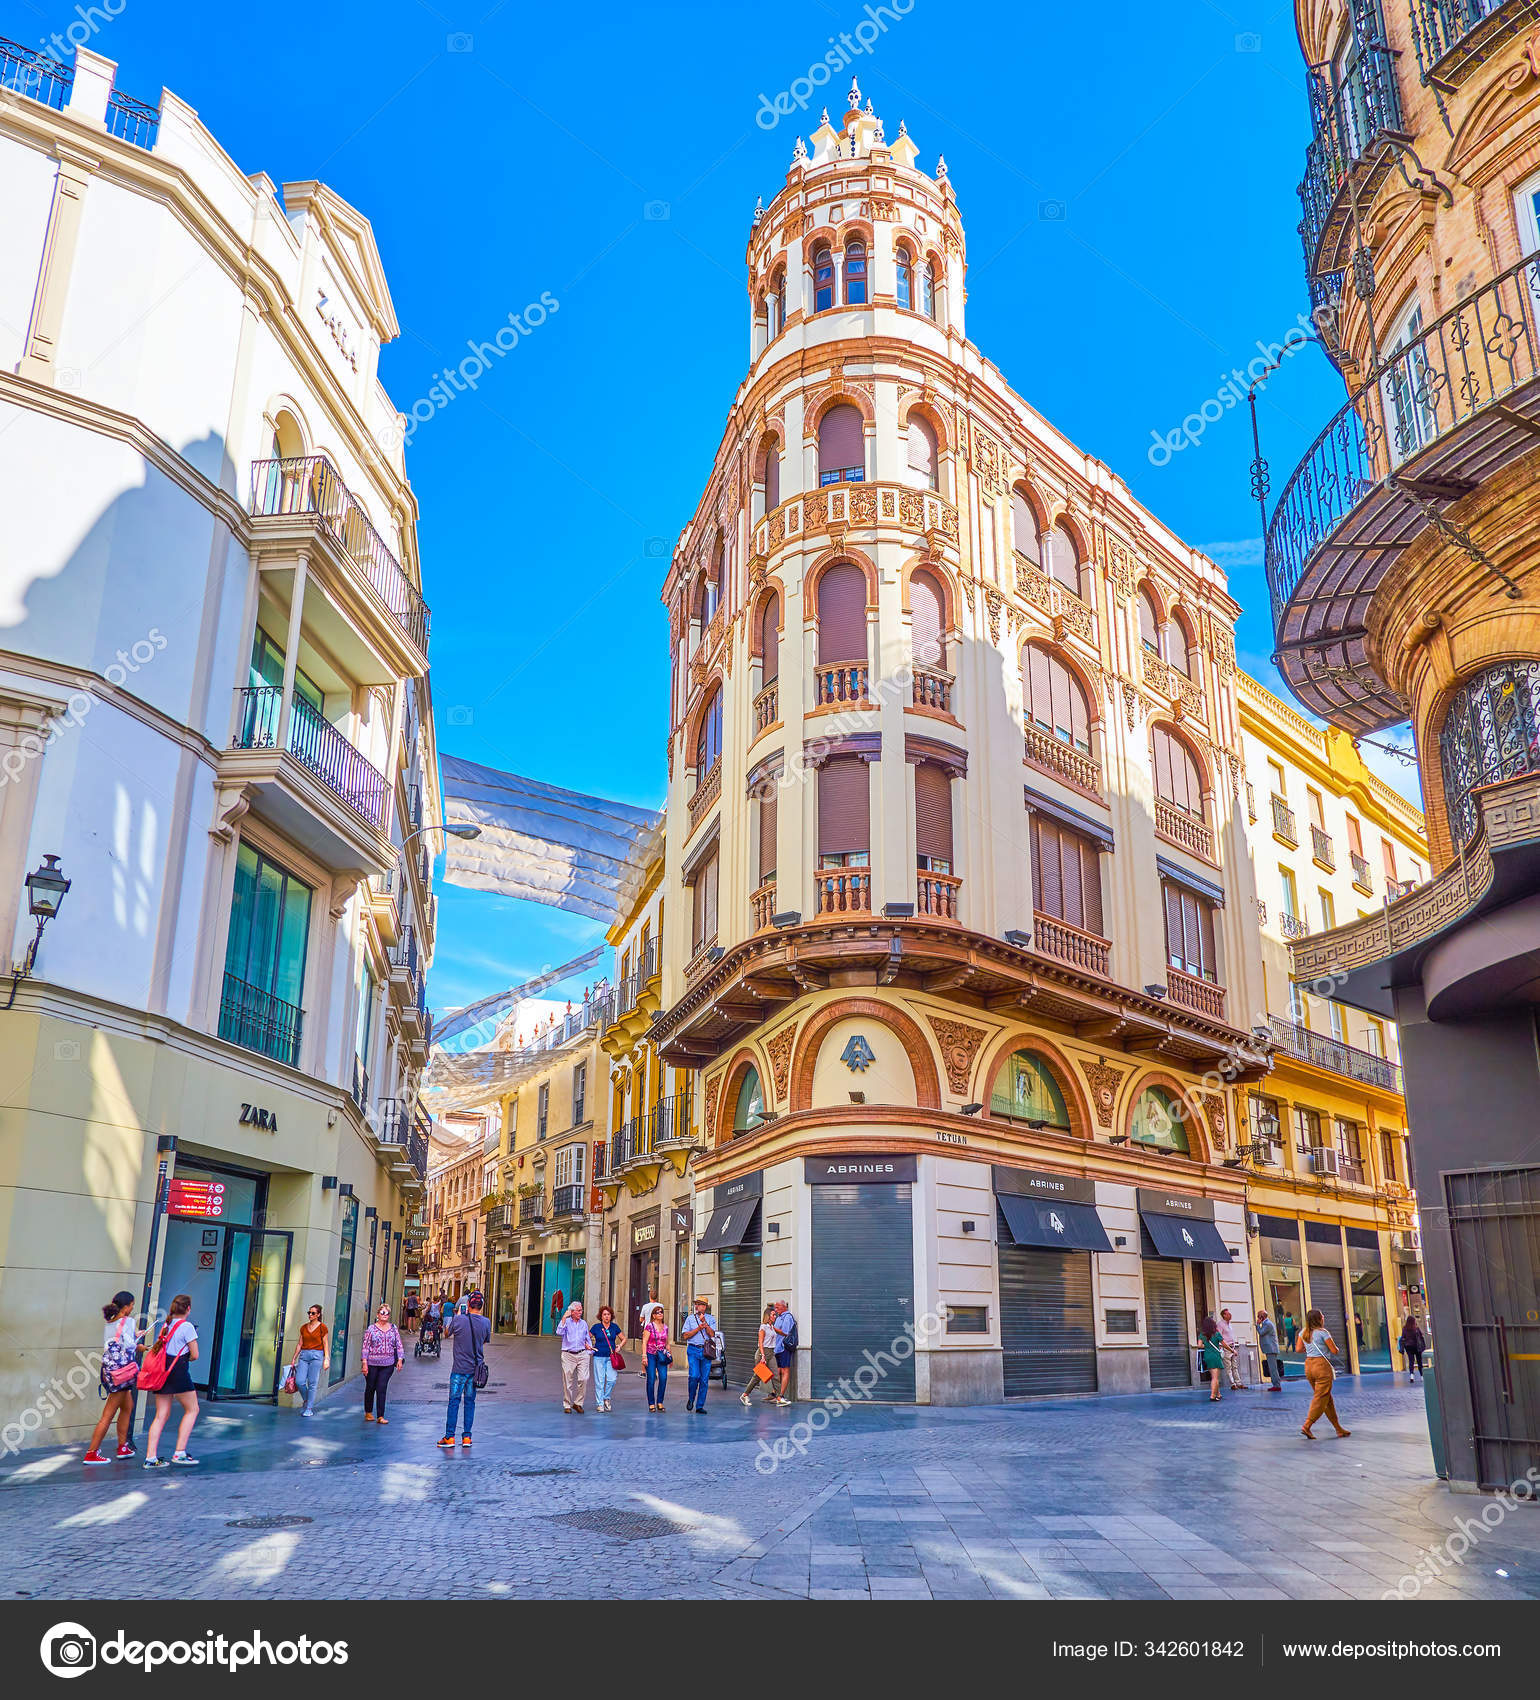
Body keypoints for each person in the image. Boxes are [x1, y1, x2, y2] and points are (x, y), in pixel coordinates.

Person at [84, 1291, 142, 1464]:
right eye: (132, 1304)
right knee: (108, 1414)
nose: (133, 1308)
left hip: (111, 1371)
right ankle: (91, 1453)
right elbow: (130, 1346)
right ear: (126, 1307)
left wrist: (134, 1337)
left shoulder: (110, 1322)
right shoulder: (129, 1321)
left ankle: (122, 1447)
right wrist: (139, 1343)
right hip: (123, 1373)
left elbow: (118, 1342)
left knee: (127, 1406)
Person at [143, 1294, 199, 1468]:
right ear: (188, 1309)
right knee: (192, 1409)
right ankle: (179, 1452)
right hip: (179, 1371)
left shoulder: (166, 1325)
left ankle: (150, 1457)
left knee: (161, 1415)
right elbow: (195, 1355)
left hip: (163, 1371)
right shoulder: (187, 1326)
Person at [440, 1292, 491, 1448]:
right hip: (475, 1370)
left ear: (468, 1304)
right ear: (481, 1306)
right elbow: (484, 1340)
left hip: (459, 1369)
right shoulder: (486, 1322)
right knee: (470, 1402)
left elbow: (446, 1334)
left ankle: (450, 1437)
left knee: (454, 1402)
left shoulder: (459, 1319)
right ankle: (467, 1437)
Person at [1300, 1308, 1351, 1439]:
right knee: (1320, 1398)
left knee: (1326, 1399)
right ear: (1319, 1319)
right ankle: (1307, 1425)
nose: (1324, 1317)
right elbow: (1334, 1351)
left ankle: (1338, 1429)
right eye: (1322, 1316)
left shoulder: (1303, 1332)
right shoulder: (1323, 1333)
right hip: (1322, 1366)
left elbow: (1298, 1349)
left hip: (1309, 1366)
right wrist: (1336, 1348)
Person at [361, 1304, 404, 1423]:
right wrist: (364, 1363)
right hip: (372, 1363)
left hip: (388, 1363)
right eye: (382, 1313)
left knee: (381, 1387)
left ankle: (380, 1416)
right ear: (377, 1315)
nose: (385, 1315)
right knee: (370, 1387)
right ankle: (368, 1412)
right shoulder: (371, 1329)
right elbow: (365, 1346)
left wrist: (400, 1359)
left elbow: (399, 1344)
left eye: (387, 1313)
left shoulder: (393, 1328)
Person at [289, 1304, 329, 1417]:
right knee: (299, 1381)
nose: (310, 1315)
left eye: (313, 1313)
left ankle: (309, 1408)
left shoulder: (322, 1327)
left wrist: (327, 1358)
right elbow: (299, 1344)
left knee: (312, 1382)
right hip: (304, 1355)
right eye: (309, 1313)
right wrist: (294, 1358)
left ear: (318, 1315)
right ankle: (307, 1400)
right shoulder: (303, 1327)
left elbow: (325, 1343)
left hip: (317, 1355)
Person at [681, 1296, 719, 1414]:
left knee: (704, 1380)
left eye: (701, 1304)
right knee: (694, 1376)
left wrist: (705, 1323)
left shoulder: (711, 1319)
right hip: (693, 1350)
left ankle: (699, 1406)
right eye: (697, 1304)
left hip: (706, 1352)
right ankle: (691, 1398)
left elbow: (712, 1334)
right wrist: (698, 1328)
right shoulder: (689, 1319)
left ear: (705, 1307)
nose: (698, 1306)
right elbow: (685, 1336)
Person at [556, 1300, 594, 1413]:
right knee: (567, 1380)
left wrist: (589, 1349)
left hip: (582, 1353)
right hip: (568, 1354)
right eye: (578, 1310)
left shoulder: (584, 1323)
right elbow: (559, 1332)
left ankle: (578, 1403)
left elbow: (588, 1338)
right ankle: (567, 1404)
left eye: (581, 1310)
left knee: (584, 1378)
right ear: (571, 1312)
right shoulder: (566, 1322)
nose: (580, 1312)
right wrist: (564, 1317)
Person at [740, 1305, 779, 1406]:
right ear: (768, 1316)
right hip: (762, 1353)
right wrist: (762, 1356)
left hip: (771, 1352)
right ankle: (744, 1395)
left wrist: (786, 1334)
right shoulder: (763, 1327)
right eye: (773, 1315)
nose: (775, 1316)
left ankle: (779, 1397)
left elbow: (778, 1334)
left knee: (775, 1375)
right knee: (757, 1377)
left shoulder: (771, 1327)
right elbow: (760, 1342)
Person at [589, 1304, 623, 1412]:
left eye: (608, 1314)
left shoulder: (614, 1327)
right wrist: (590, 1347)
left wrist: (619, 1346)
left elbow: (623, 1338)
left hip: (611, 1357)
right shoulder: (596, 1327)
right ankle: (600, 1404)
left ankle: (606, 1398)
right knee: (599, 1381)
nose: (606, 1316)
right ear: (601, 1316)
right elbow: (586, 1337)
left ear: (611, 1316)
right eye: (604, 1314)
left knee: (612, 1379)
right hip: (598, 1357)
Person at [643, 1304, 670, 1410]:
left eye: (661, 1312)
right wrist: (644, 1356)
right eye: (658, 1312)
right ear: (653, 1315)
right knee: (651, 1378)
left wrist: (669, 1355)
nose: (660, 1314)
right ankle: (651, 1403)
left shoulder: (666, 1327)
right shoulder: (649, 1326)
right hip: (650, 1354)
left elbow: (666, 1342)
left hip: (662, 1356)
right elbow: (644, 1341)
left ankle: (660, 1402)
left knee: (663, 1378)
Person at [771, 1299, 797, 1405]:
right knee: (777, 1372)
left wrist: (773, 1328)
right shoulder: (779, 1317)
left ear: (784, 1306)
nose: (776, 1310)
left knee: (784, 1371)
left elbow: (785, 1333)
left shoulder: (787, 1317)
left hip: (784, 1347)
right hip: (777, 1348)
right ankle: (775, 1394)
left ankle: (781, 1395)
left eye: (778, 1307)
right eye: (775, 1308)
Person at [1217, 1309, 1249, 1390]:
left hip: (1233, 1347)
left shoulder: (1230, 1324)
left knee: (1235, 1366)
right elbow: (1219, 1338)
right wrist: (1223, 1347)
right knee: (1229, 1367)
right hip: (1226, 1348)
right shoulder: (1220, 1324)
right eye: (1228, 1314)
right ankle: (1233, 1384)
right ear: (1224, 1315)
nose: (1230, 1315)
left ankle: (1238, 1383)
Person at [1256, 1307, 1284, 1392]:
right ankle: (1275, 1384)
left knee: (1273, 1368)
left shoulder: (1267, 1324)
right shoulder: (1266, 1323)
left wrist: (1257, 1325)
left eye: (1258, 1316)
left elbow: (1261, 1332)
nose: (1257, 1318)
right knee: (1272, 1367)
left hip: (1271, 1349)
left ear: (1261, 1317)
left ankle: (1277, 1385)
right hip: (1269, 1349)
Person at [1199, 1315, 1225, 1402]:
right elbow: (1224, 1344)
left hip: (1207, 1356)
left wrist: (1206, 1346)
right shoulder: (1216, 1334)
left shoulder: (1202, 1335)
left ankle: (1218, 1394)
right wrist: (1232, 1351)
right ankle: (1213, 1395)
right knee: (1215, 1378)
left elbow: (1199, 1345)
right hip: (1215, 1356)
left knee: (1213, 1376)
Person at [1400, 1314, 1427, 1383]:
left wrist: (1402, 1347)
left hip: (1408, 1347)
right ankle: (1422, 1376)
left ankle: (1411, 1376)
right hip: (1416, 1347)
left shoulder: (1404, 1329)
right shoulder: (1416, 1328)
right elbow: (1421, 1337)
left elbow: (1403, 1338)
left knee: (1411, 1361)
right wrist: (1423, 1346)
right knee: (1419, 1362)